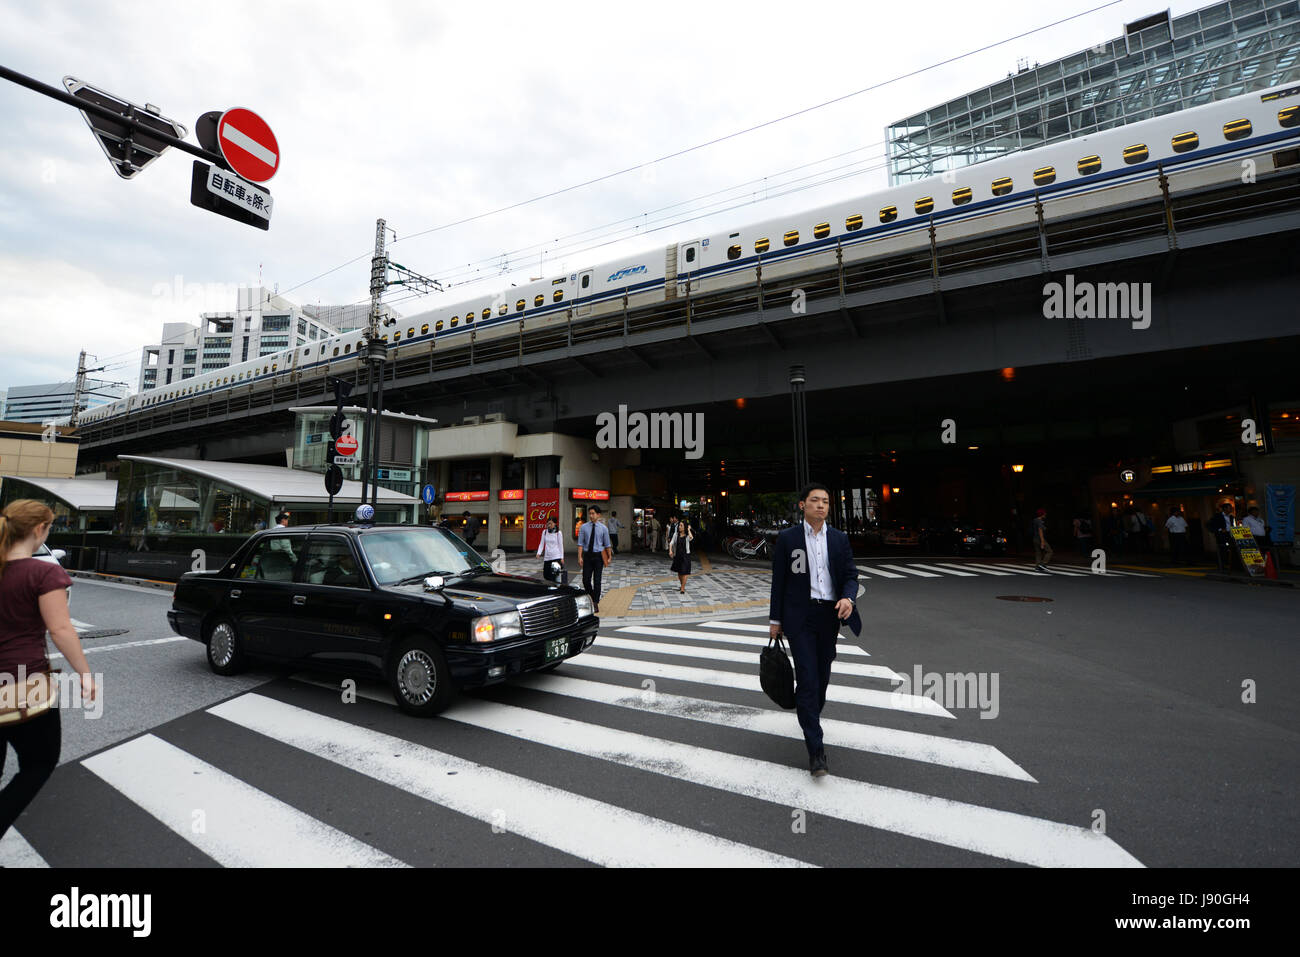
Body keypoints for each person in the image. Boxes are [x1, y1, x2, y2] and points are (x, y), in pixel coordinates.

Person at [0, 500, 97, 842]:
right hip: (21, 684)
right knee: (39, 762)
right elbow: (61, 630)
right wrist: (85, 674)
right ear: (40, 529)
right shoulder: (43, 573)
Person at [769, 483, 862, 778]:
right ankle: (816, 751)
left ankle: (807, 709)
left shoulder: (838, 539)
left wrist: (848, 597)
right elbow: (779, 581)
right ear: (802, 505)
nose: (821, 505)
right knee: (808, 678)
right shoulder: (788, 539)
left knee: (821, 677)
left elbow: (850, 575)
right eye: (814, 500)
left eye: (825, 501)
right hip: (799, 617)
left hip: (829, 615)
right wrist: (775, 620)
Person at [576, 506, 612, 614]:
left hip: (598, 557)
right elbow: (580, 543)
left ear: (598, 515)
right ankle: (591, 596)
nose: (591, 516)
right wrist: (579, 557)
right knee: (585, 579)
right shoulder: (583, 527)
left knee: (597, 580)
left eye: (593, 513)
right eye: (590, 513)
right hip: (587, 556)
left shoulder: (603, 528)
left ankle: (595, 602)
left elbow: (607, 544)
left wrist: (609, 557)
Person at [668, 517, 694, 593]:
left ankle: (682, 588)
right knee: (679, 573)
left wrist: (689, 530)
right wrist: (670, 551)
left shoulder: (687, 536)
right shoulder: (676, 535)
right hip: (678, 555)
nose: (679, 527)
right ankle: (682, 585)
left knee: (685, 572)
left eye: (681, 526)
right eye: (679, 525)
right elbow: (671, 543)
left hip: (686, 556)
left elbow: (691, 538)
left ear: (685, 527)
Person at [536, 515, 565, 582]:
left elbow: (561, 546)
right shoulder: (545, 532)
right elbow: (541, 543)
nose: (549, 525)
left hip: (556, 557)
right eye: (548, 523)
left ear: (555, 523)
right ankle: (551, 587)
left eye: (551, 523)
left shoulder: (558, 533)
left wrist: (562, 557)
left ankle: (553, 589)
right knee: (546, 575)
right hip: (547, 557)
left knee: (554, 576)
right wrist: (538, 553)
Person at [1209, 502, 1236, 569]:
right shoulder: (1217, 516)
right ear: (1224, 509)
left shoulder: (1231, 516)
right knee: (1222, 550)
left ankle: (1231, 564)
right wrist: (1220, 529)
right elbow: (1210, 525)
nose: (1231, 509)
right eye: (1229, 508)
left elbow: (1232, 525)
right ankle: (1221, 565)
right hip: (1221, 535)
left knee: (1232, 549)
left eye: (1231, 508)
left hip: (1230, 534)